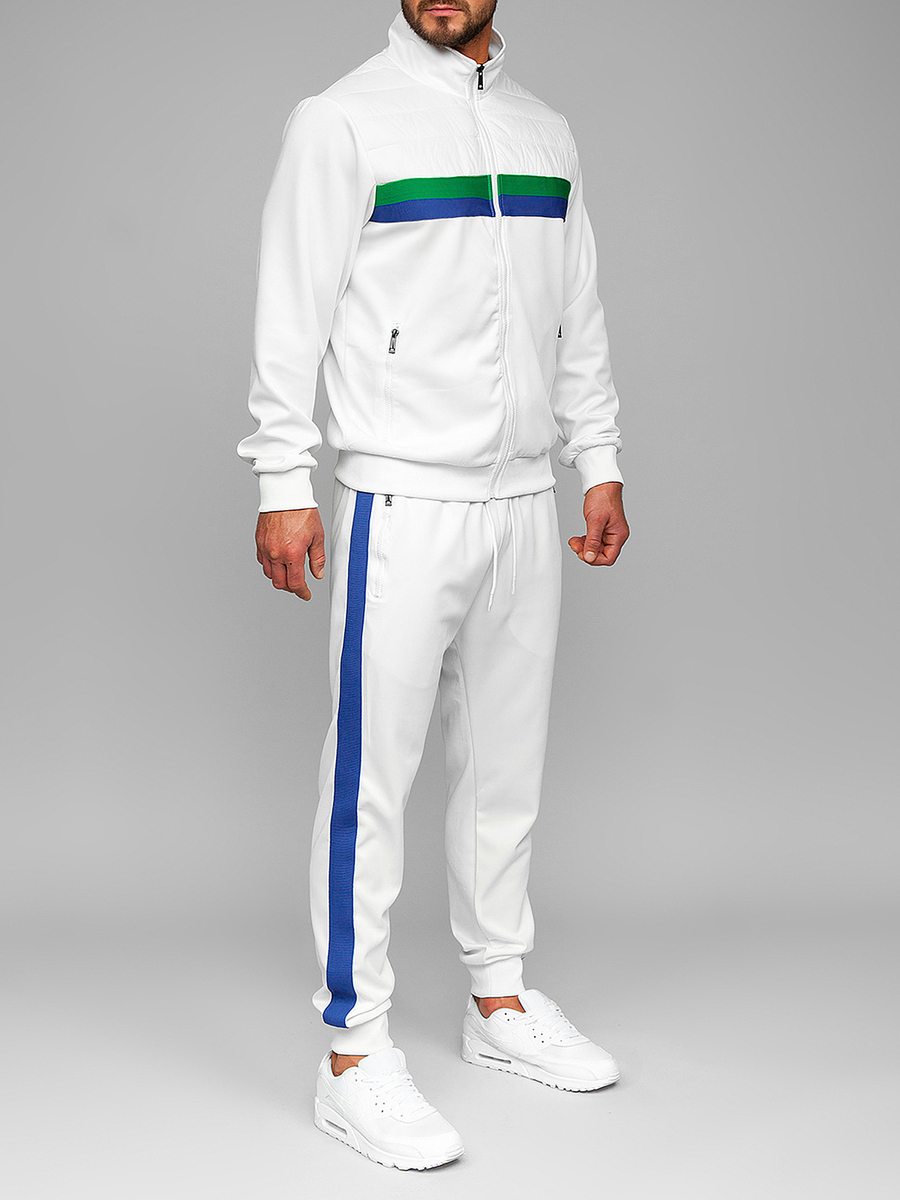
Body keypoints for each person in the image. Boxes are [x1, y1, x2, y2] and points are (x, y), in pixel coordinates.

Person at [236, 0, 629, 1171]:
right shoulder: (343, 120)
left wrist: (598, 461)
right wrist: (281, 480)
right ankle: (353, 1054)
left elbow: (578, 315)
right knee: (370, 780)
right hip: (399, 500)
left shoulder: (546, 132)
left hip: (524, 501)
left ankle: (498, 1000)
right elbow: (291, 308)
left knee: (506, 770)